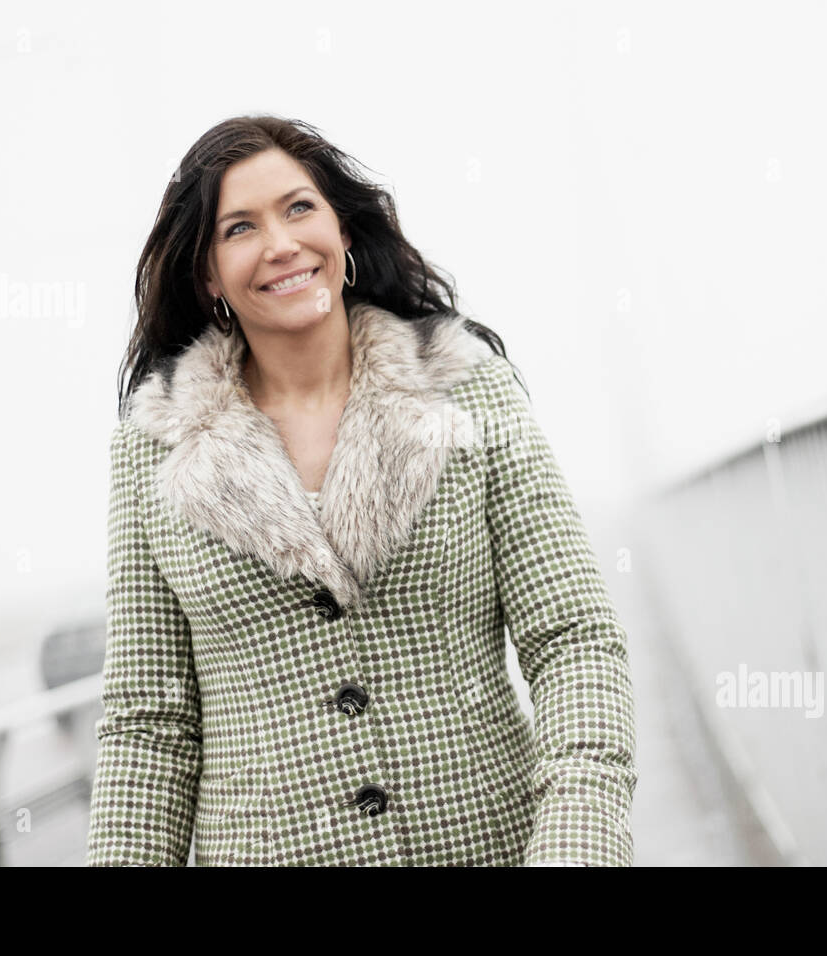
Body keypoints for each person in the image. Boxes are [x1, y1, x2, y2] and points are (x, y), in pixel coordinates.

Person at [85, 114, 637, 867]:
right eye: (240, 227)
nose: (281, 243)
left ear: (343, 231)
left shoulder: (469, 390)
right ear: (208, 275)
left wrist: (579, 840)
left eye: (299, 207)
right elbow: (150, 725)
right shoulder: (150, 449)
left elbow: (572, 640)